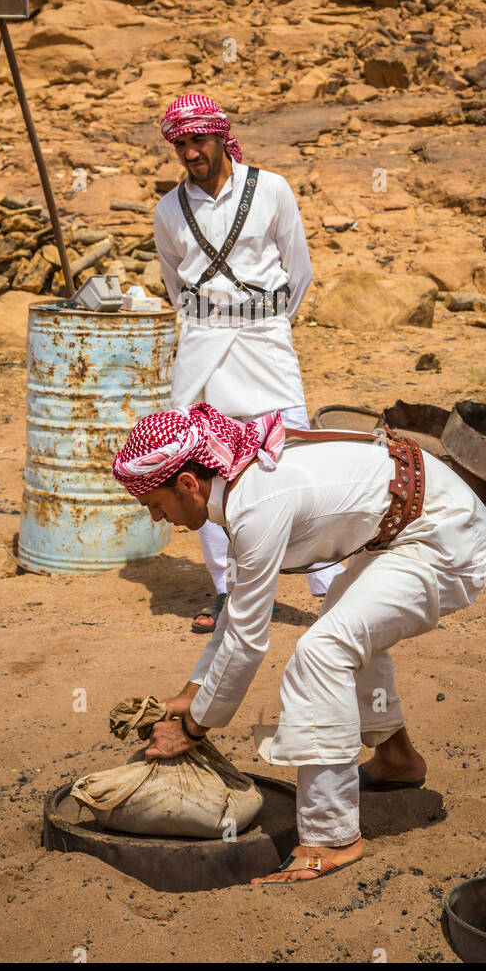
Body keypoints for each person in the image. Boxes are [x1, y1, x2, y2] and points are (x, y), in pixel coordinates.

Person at [112, 403, 486, 885]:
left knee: (323, 652)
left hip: (447, 540)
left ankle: (331, 837)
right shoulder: (240, 483)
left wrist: (192, 728)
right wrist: (193, 691)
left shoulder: (255, 504)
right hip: (410, 530)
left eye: (155, 504)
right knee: (345, 617)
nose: (155, 517)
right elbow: (237, 611)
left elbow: (249, 641)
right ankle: (397, 760)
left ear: (188, 483)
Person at [152, 92, 341, 633]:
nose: (190, 154)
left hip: (266, 338)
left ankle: (330, 586)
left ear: (221, 136)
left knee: (297, 454)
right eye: (180, 144)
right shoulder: (169, 209)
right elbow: (174, 282)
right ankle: (227, 591)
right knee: (203, 464)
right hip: (202, 342)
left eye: (199, 141)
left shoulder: (272, 190)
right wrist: (209, 323)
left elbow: (298, 268)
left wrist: (268, 321)